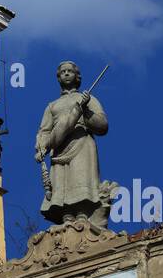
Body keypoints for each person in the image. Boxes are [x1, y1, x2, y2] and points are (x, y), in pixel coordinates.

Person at [35, 62, 108, 223]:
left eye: (70, 71)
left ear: (77, 76)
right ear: (58, 78)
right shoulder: (52, 106)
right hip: (60, 148)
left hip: (81, 143)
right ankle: (66, 215)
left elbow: (102, 125)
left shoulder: (88, 98)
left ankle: (83, 214)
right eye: (62, 72)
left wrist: (85, 110)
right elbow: (44, 131)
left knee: (80, 179)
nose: (66, 74)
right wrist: (41, 147)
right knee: (61, 183)